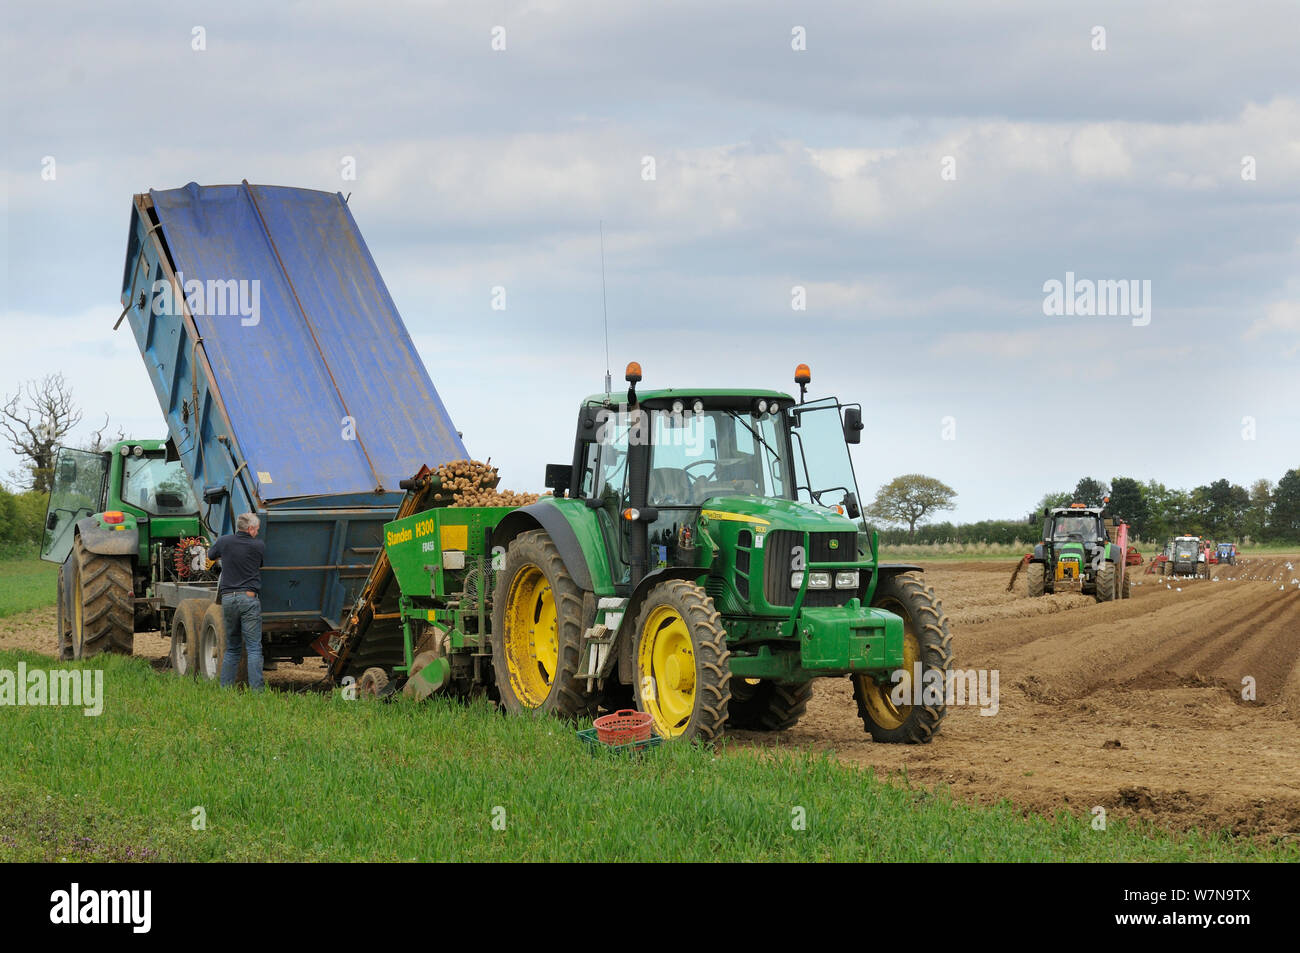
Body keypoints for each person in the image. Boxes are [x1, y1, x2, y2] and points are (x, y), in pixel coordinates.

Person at [206, 512, 267, 691]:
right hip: (248, 599)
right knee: (254, 648)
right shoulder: (258, 546)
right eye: (256, 529)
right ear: (249, 529)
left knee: (232, 648)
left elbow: (210, 555)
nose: (257, 532)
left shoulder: (225, 541)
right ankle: (257, 691)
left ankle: (226, 689)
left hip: (228, 600)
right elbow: (260, 564)